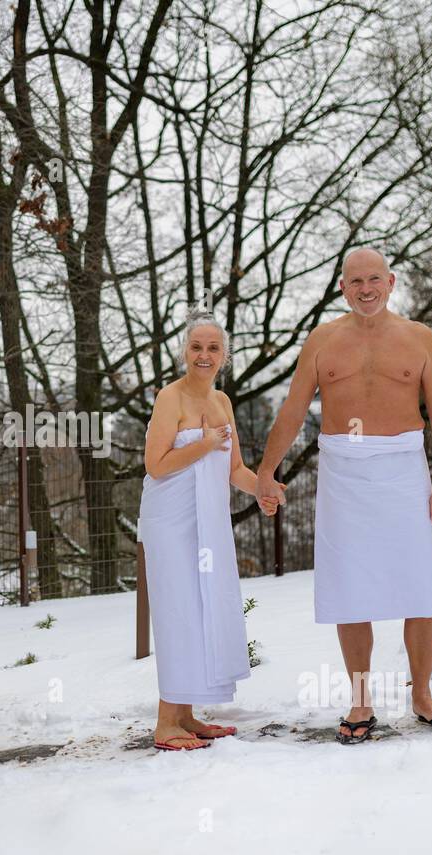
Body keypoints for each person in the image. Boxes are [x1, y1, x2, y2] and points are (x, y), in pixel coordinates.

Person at [255, 248, 432, 744]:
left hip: (404, 472)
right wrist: (266, 470)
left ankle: (422, 693)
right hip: (343, 476)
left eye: (374, 279)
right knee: (351, 591)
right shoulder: (322, 340)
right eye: (355, 281)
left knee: (421, 587)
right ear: (342, 287)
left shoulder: (420, 339)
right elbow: (292, 408)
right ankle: (361, 700)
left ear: (390, 282)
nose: (366, 288)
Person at [140, 310, 286, 751]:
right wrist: (203, 443)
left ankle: (186, 715)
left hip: (209, 521)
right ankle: (166, 723)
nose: (204, 354)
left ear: (225, 355)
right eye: (196, 346)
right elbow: (156, 465)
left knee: (203, 609)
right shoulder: (171, 397)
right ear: (184, 351)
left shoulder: (222, 403)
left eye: (213, 347)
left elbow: (234, 468)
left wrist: (262, 489)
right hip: (171, 521)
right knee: (178, 611)